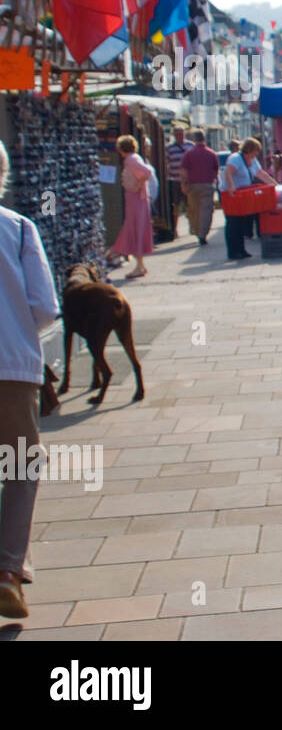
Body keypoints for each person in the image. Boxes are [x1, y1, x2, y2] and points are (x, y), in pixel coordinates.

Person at [0, 142, 61, 619]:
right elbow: (45, 308)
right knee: (19, 466)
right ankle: (6, 570)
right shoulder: (19, 230)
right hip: (12, 368)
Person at [222, 137, 277, 261]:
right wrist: (231, 186)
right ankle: (233, 251)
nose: (257, 154)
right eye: (256, 151)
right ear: (250, 150)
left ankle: (241, 250)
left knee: (242, 222)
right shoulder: (236, 158)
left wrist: (275, 185)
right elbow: (228, 172)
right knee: (233, 222)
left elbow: (261, 174)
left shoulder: (252, 160)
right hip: (231, 194)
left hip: (242, 194)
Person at [109, 135, 154, 279]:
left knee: (135, 230)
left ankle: (138, 266)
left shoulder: (131, 160)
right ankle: (140, 265)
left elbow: (147, 172)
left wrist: (138, 185)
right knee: (136, 230)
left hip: (135, 200)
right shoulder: (135, 158)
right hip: (137, 199)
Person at [179, 130, 219, 245]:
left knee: (194, 209)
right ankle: (203, 234)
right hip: (207, 185)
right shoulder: (211, 153)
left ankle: (196, 230)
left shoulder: (189, 154)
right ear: (204, 139)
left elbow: (183, 171)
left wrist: (184, 184)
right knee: (206, 210)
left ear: (194, 140)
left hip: (192, 186)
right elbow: (216, 171)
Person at [165, 125, 194, 233]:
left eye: (181, 133)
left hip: (189, 181)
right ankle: (175, 229)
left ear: (184, 134)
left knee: (190, 205)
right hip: (175, 180)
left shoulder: (190, 146)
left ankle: (192, 227)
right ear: (174, 135)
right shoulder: (169, 148)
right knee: (175, 205)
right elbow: (166, 162)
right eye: (177, 134)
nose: (179, 136)